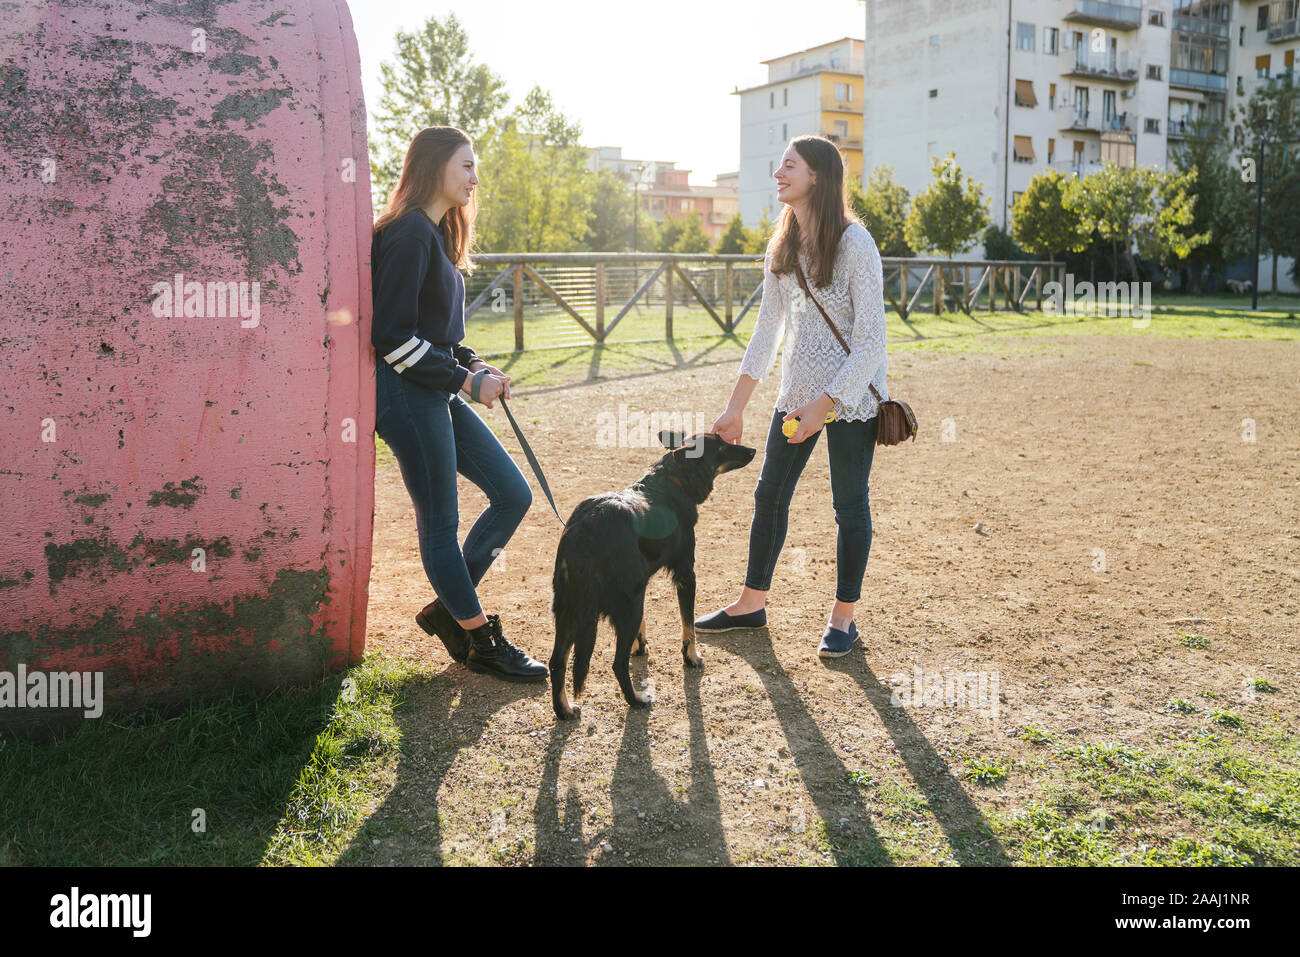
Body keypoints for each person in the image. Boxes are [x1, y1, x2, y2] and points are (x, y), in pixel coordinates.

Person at [698, 135, 889, 659]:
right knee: (769, 494)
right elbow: (767, 331)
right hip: (795, 393)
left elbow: (872, 338)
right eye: (779, 164)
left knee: (848, 504)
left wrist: (824, 406)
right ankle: (750, 603)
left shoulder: (856, 244)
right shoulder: (782, 244)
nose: (778, 173)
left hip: (851, 397)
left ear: (818, 178)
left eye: (790, 165)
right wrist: (736, 406)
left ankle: (843, 618)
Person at [370, 126, 547, 682]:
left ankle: (452, 612)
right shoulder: (406, 236)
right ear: (434, 166)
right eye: (466, 165)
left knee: (513, 495)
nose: (475, 178)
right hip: (406, 396)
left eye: (475, 167)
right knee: (441, 527)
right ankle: (480, 639)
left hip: (437, 388)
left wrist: (472, 365)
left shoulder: (434, 235)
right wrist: (466, 382)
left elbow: (437, 334)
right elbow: (393, 338)